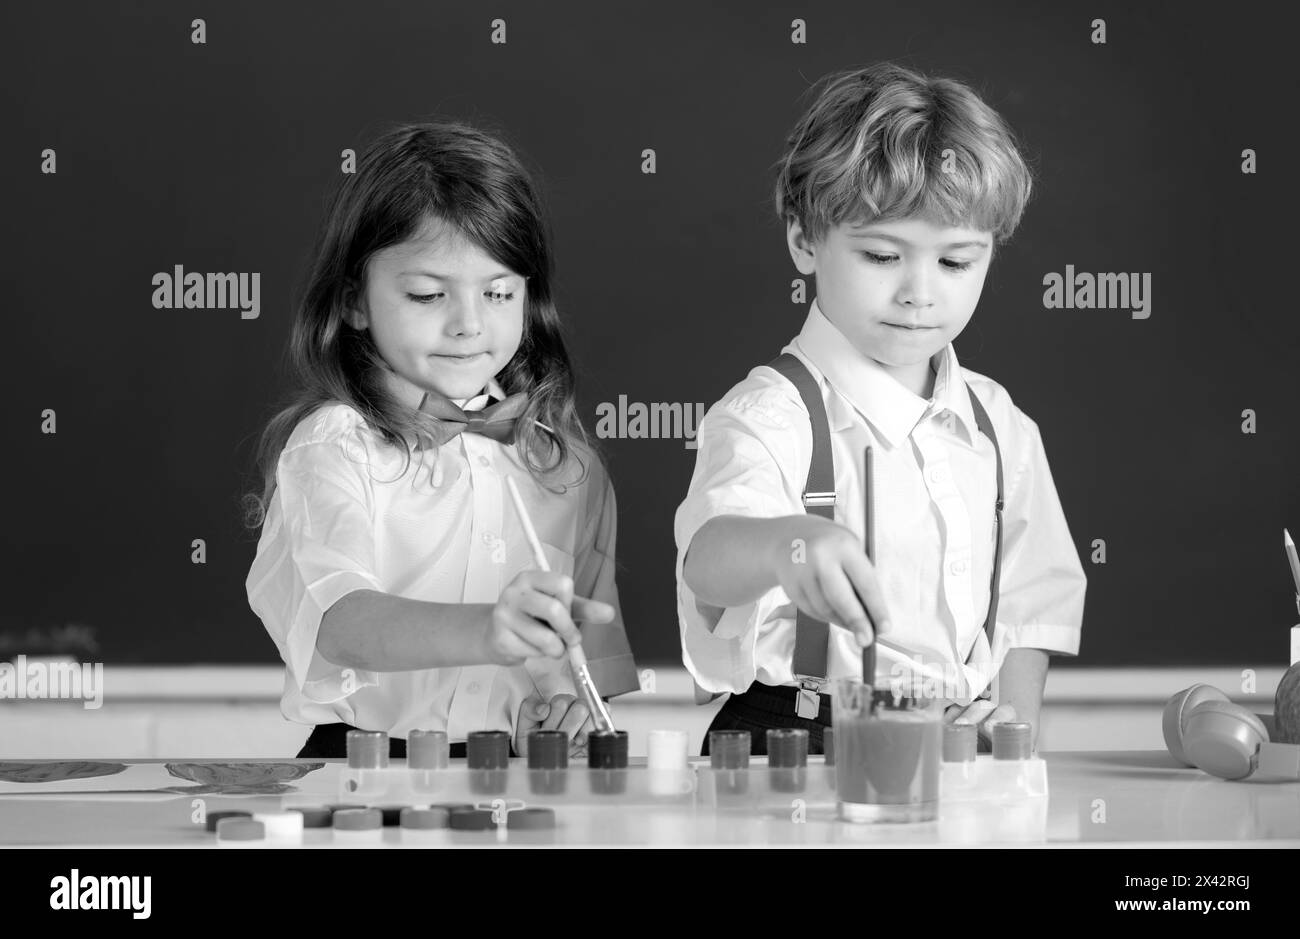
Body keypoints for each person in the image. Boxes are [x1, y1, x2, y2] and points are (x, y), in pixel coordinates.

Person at [675, 62, 1086, 755]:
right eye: (882, 255)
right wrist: (789, 542)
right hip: (795, 738)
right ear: (806, 240)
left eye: (956, 262)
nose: (920, 293)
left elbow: (1030, 607)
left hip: (952, 745)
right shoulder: (774, 413)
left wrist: (1008, 729)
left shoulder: (998, 425)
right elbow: (708, 557)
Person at [244, 121, 638, 760]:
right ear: (355, 302)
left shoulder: (568, 468)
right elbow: (341, 622)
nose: (468, 323)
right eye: (428, 294)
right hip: (367, 767)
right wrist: (488, 630)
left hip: (511, 770)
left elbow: (586, 670)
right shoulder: (334, 447)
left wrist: (556, 711)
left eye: (499, 292)